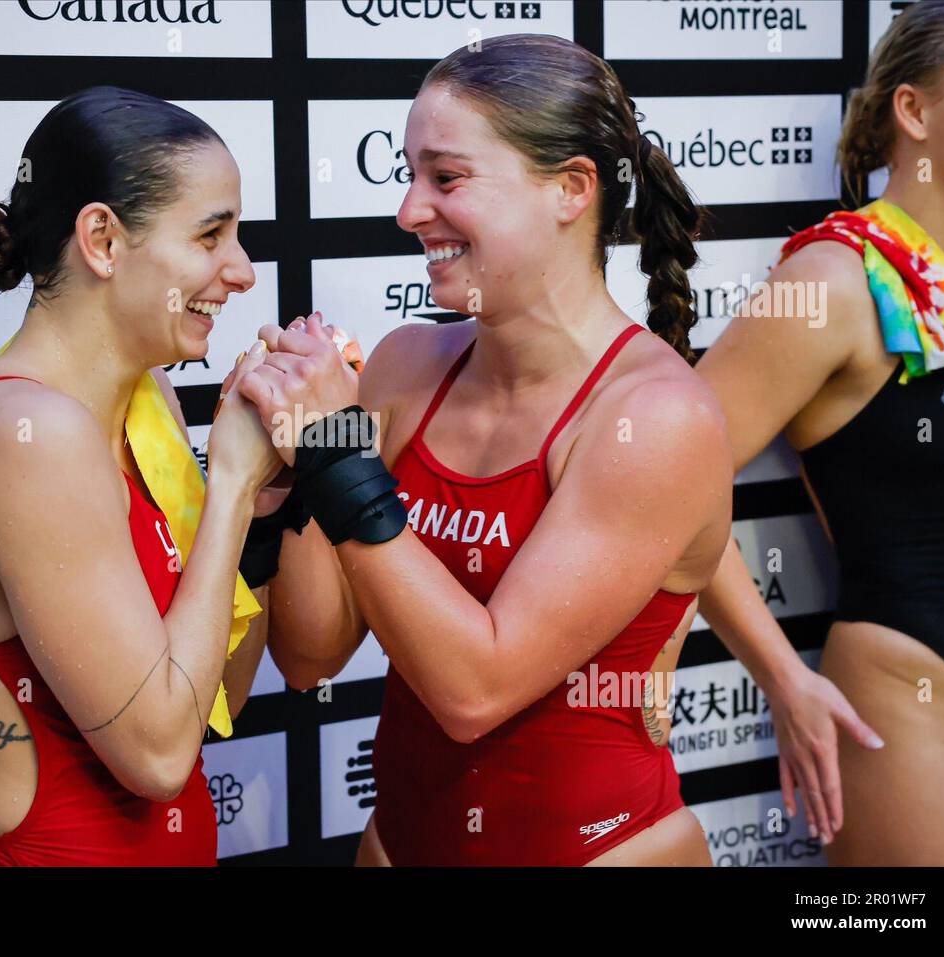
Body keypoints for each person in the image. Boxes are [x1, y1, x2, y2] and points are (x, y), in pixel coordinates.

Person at [239, 35, 733, 865]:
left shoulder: (653, 415)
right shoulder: (404, 365)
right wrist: (284, 475)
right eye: (409, 175)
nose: (408, 210)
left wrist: (337, 454)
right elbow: (309, 653)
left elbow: (478, 688)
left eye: (447, 178)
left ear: (572, 189)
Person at [0, 86, 280, 866]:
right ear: (103, 240)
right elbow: (159, 757)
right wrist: (233, 486)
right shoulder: (25, 434)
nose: (241, 270)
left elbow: (214, 701)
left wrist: (264, 508)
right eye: (211, 234)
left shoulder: (149, 401)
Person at [694, 0, 944, 865]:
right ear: (915, 111)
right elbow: (665, 490)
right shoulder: (834, 281)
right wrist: (782, 676)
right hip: (915, 691)